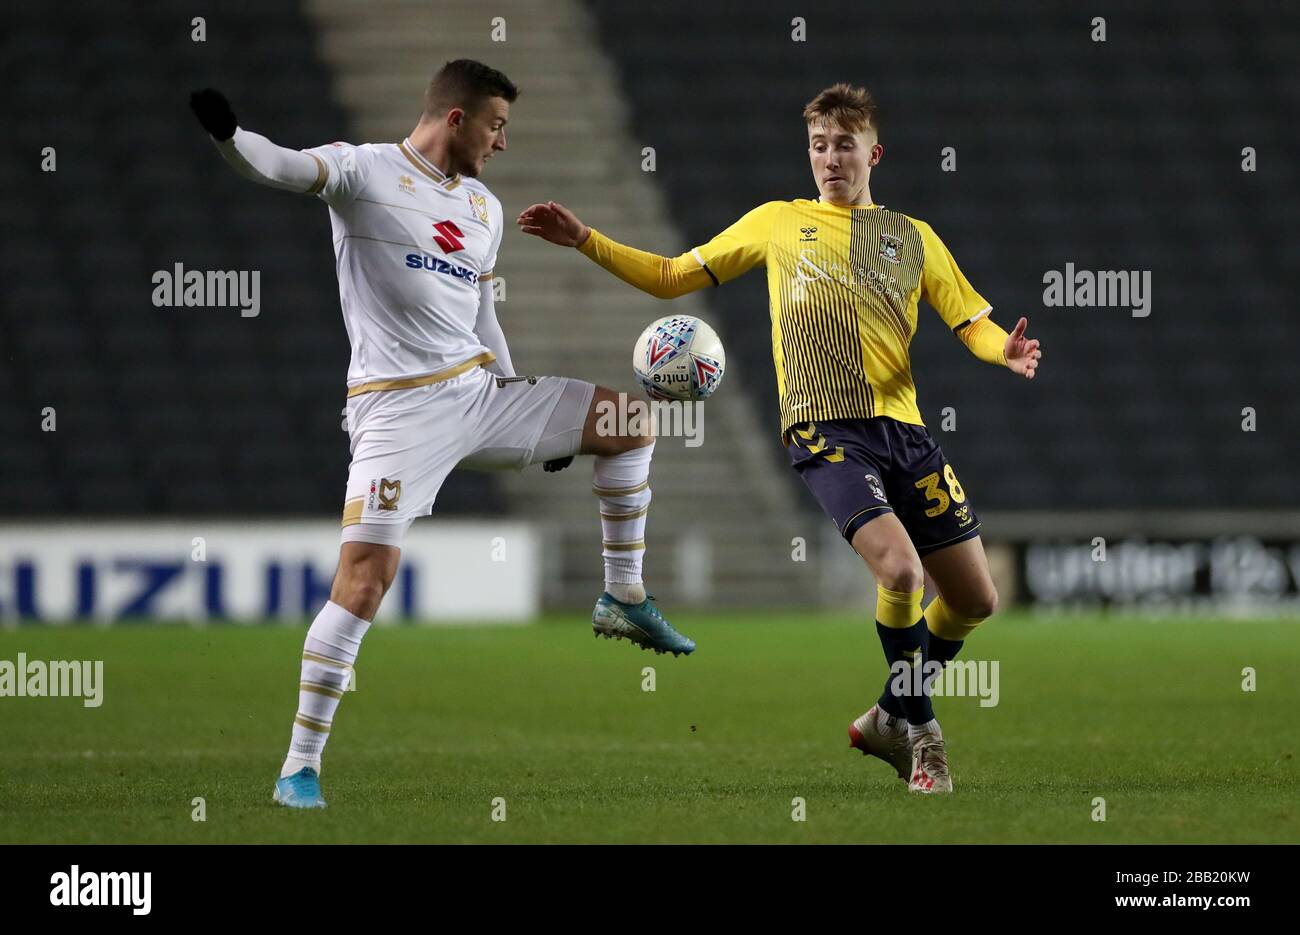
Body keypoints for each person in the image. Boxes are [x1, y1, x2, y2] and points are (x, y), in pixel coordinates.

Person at [190, 59, 695, 810]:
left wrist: (517, 389)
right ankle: (300, 765)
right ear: (456, 118)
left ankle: (622, 594)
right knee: (364, 581)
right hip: (397, 410)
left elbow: (478, 308)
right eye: (496, 125)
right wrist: (228, 134)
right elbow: (283, 166)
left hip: (480, 390)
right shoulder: (363, 171)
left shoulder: (485, 210)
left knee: (635, 422)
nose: (502, 142)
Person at [518, 83, 1042, 793]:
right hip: (824, 431)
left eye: (844, 145)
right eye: (819, 146)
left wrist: (1000, 351)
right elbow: (675, 275)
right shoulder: (775, 223)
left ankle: (889, 710)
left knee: (976, 599)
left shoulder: (914, 238)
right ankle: (925, 739)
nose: (830, 159)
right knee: (899, 574)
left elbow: (970, 320)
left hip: (907, 434)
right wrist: (587, 240)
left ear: (873, 153)